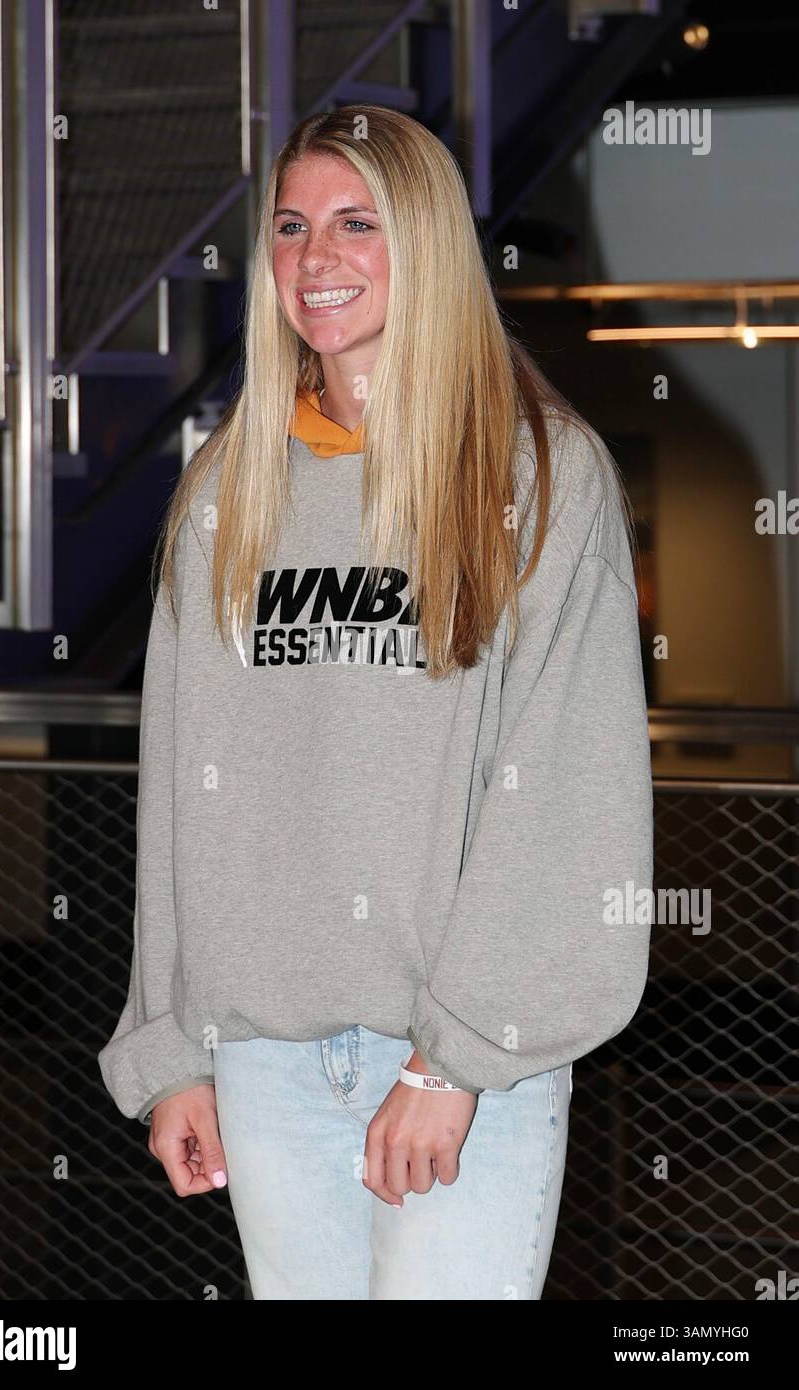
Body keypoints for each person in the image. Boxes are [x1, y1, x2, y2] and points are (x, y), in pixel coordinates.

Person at [98, 104, 653, 1301]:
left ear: (430, 245)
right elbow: (181, 787)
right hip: (262, 1057)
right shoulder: (229, 483)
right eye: (292, 226)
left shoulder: (537, 473)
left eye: (357, 222)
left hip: (459, 1061)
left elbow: (563, 791)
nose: (314, 258)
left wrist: (453, 1064)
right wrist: (171, 1046)